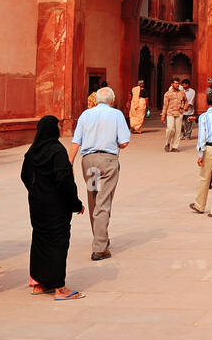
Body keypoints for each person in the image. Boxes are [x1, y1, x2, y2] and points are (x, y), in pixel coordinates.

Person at [20, 115, 86, 300]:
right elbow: (64, 180)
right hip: (56, 206)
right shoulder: (57, 150)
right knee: (58, 242)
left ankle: (40, 283)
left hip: (37, 204)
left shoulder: (33, 151)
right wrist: (75, 203)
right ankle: (59, 287)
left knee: (40, 239)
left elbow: (24, 175)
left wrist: (36, 190)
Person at [69, 85, 130, 261]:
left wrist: (69, 163)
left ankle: (99, 237)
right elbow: (124, 142)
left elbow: (76, 141)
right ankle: (100, 247)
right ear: (112, 101)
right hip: (108, 162)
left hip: (89, 163)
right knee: (104, 202)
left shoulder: (86, 115)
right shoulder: (116, 114)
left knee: (94, 198)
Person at [162, 78, 185, 152]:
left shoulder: (182, 92)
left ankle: (175, 147)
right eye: (176, 83)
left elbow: (186, 100)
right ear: (172, 84)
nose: (177, 85)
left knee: (178, 131)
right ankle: (167, 143)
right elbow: (165, 105)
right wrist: (163, 115)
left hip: (179, 113)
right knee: (170, 129)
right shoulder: (167, 94)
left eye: (178, 83)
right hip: (170, 113)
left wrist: (185, 107)